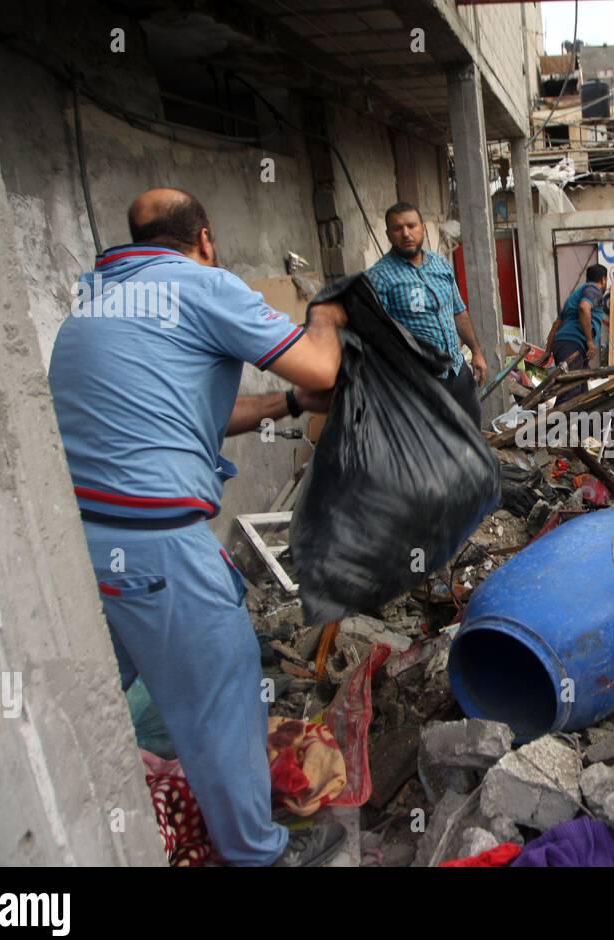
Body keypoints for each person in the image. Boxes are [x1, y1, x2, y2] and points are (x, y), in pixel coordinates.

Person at [48, 188, 349, 867]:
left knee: (97, 696)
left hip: (80, 542)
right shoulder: (202, 284)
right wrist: (325, 316)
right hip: (157, 545)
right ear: (205, 238)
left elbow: (187, 415)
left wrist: (291, 403)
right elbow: (323, 366)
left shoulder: (96, 301)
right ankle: (260, 854)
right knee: (222, 696)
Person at [365, 202, 487, 428]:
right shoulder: (379, 278)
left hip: (457, 371)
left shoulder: (440, 264)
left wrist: (477, 352)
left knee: (472, 438)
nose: (405, 233)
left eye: (411, 226)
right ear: (388, 234)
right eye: (397, 228)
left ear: (422, 228)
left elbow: (458, 312)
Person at [540, 263, 609, 402]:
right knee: (570, 393)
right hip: (572, 346)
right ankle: (554, 424)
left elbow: (556, 325)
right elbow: (584, 308)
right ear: (603, 280)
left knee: (581, 393)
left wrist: (548, 351)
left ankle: (586, 424)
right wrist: (590, 342)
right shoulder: (594, 290)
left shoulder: (574, 296)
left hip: (562, 345)